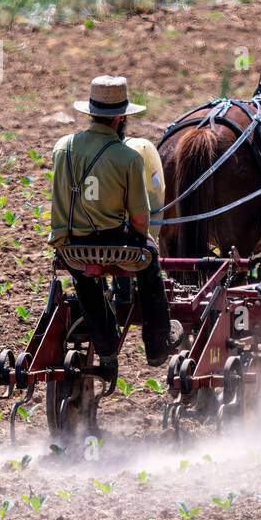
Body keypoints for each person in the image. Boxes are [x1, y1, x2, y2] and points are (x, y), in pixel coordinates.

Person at [49, 75, 175, 374]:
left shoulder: (62, 148)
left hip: (72, 246)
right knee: (149, 260)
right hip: (117, 245)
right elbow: (141, 220)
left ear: (90, 112)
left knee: (84, 280)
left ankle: (106, 350)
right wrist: (143, 238)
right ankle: (157, 345)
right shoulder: (128, 158)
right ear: (120, 117)